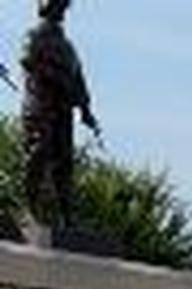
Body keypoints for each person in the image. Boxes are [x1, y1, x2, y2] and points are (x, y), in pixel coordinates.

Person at [20, 0, 100, 227]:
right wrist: (59, 80)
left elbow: (79, 79)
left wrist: (85, 109)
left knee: (64, 163)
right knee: (38, 153)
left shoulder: (69, 47)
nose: (61, 10)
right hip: (40, 106)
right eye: (57, 5)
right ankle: (29, 208)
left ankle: (67, 217)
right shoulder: (35, 35)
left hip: (63, 110)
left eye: (63, 6)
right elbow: (29, 62)